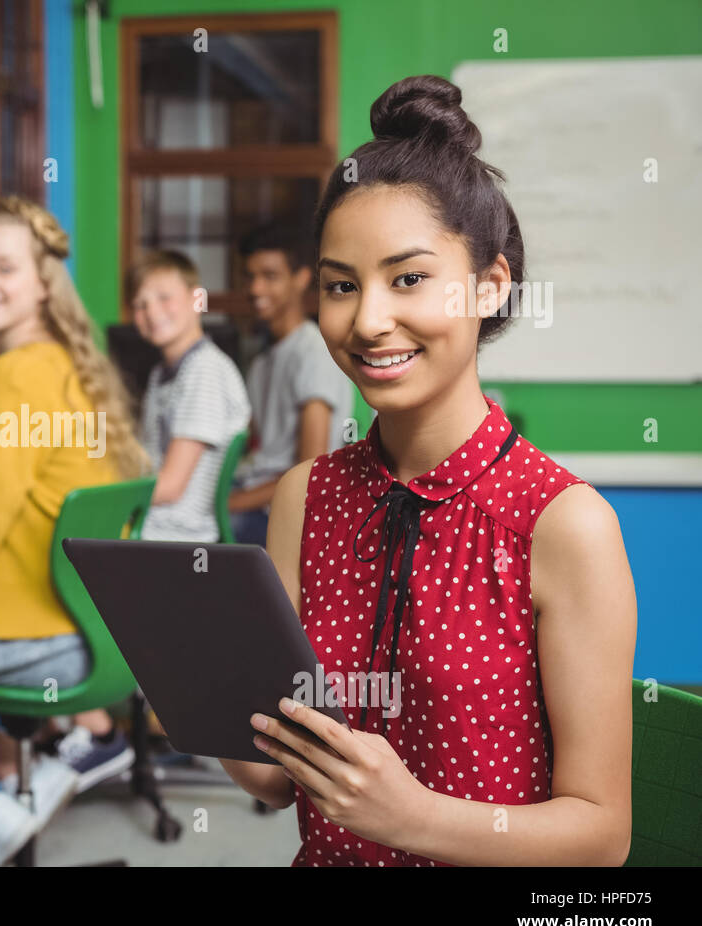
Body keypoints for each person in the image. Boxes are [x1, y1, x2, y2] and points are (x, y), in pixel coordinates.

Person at [219, 75, 635, 866]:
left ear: (490, 285)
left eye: (408, 278)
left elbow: (601, 835)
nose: (369, 320)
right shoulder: (305, 497)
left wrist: (409, 817)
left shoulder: (565, 525)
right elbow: (272, 782)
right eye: (342, 285)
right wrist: (201, 696)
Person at [0, 196, 151, 865]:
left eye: (4, 267)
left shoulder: (13, 373)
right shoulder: (68, 363)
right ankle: (9, 781)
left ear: (41, 284)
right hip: (94, 626)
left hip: (34, 630)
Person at [228, 222, 354, 546]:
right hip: (253, 495)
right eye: (250, 276)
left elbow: (308, 468)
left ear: (300, 279)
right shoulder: (260, 363)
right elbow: (254, 446)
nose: (255, 289)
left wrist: (226, 504)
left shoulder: (313, 352)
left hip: (289, 513)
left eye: (269, 276)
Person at [130, 249, 251, 542]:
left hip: (177, 535)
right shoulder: (162, 373)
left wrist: (107, 493)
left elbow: (170, 486)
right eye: (139, 305)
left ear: (197, 299)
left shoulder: (205, 371)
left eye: (163, 297)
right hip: (154, 524)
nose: (152, 311)